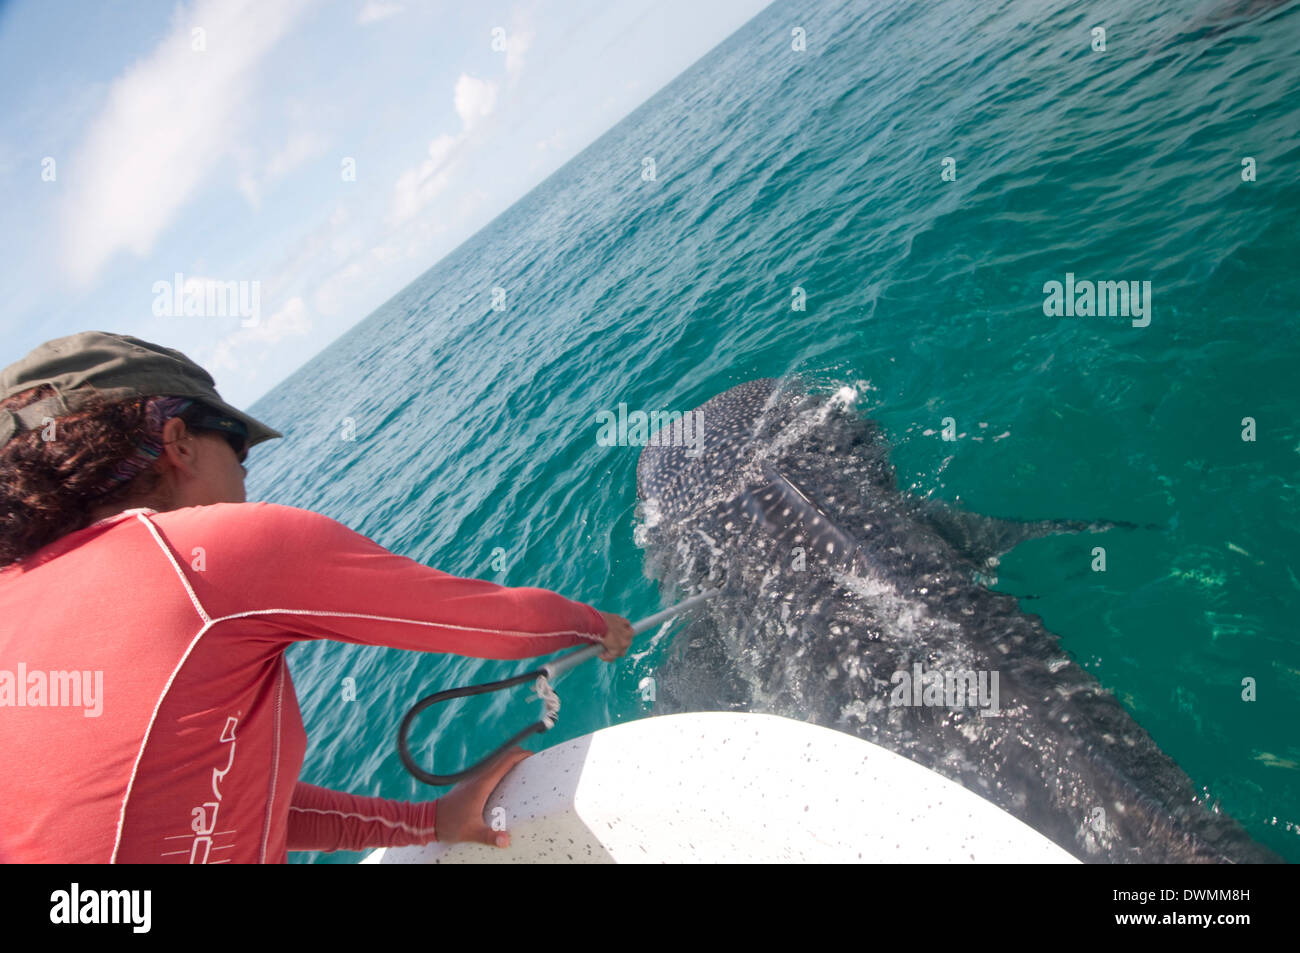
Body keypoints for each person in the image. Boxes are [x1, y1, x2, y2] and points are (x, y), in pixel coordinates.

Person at [0, 331, 634, 863]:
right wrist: (592, 624)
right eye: (235, 440)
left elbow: (209, 802)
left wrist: (426, 823)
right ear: (178, 442)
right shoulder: (200, 556)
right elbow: (499, 627)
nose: (246, 468)